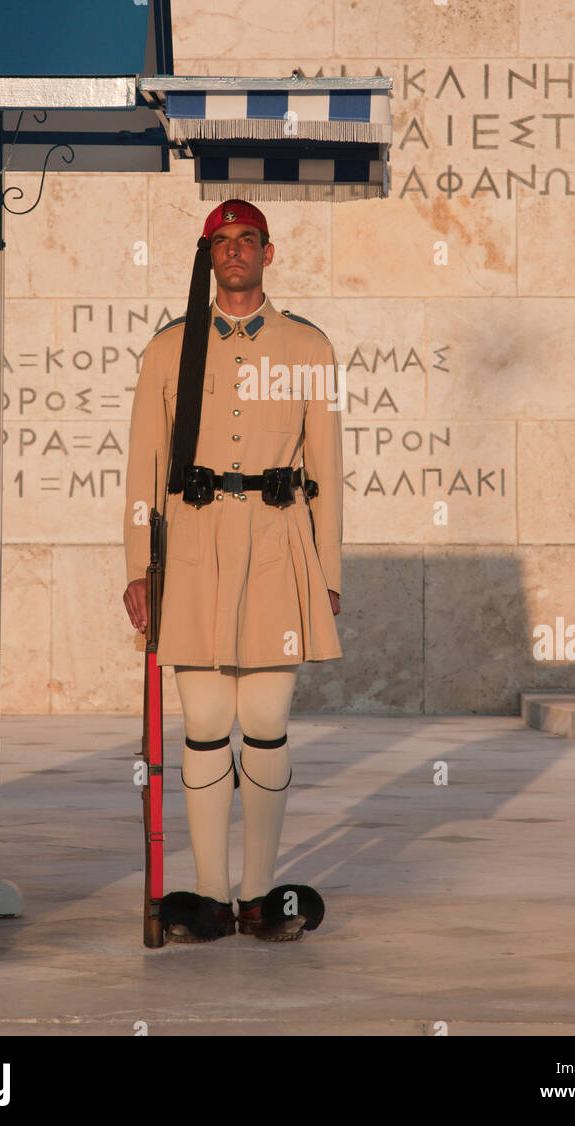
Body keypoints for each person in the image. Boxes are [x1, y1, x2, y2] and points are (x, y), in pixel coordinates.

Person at [122, 199, 343, 942]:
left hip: (281, 548)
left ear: (269, 254)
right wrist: (137, 566)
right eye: (223, 242)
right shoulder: (170, 349)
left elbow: (329, 471)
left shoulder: (310, 347)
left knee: (267, 721)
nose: (236, 253)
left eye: (248, 241)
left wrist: (329, 570)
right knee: (209, 721)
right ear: (207, 256)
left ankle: (259, 892)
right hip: (193, 547)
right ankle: (212, 895)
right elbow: (143, 470)